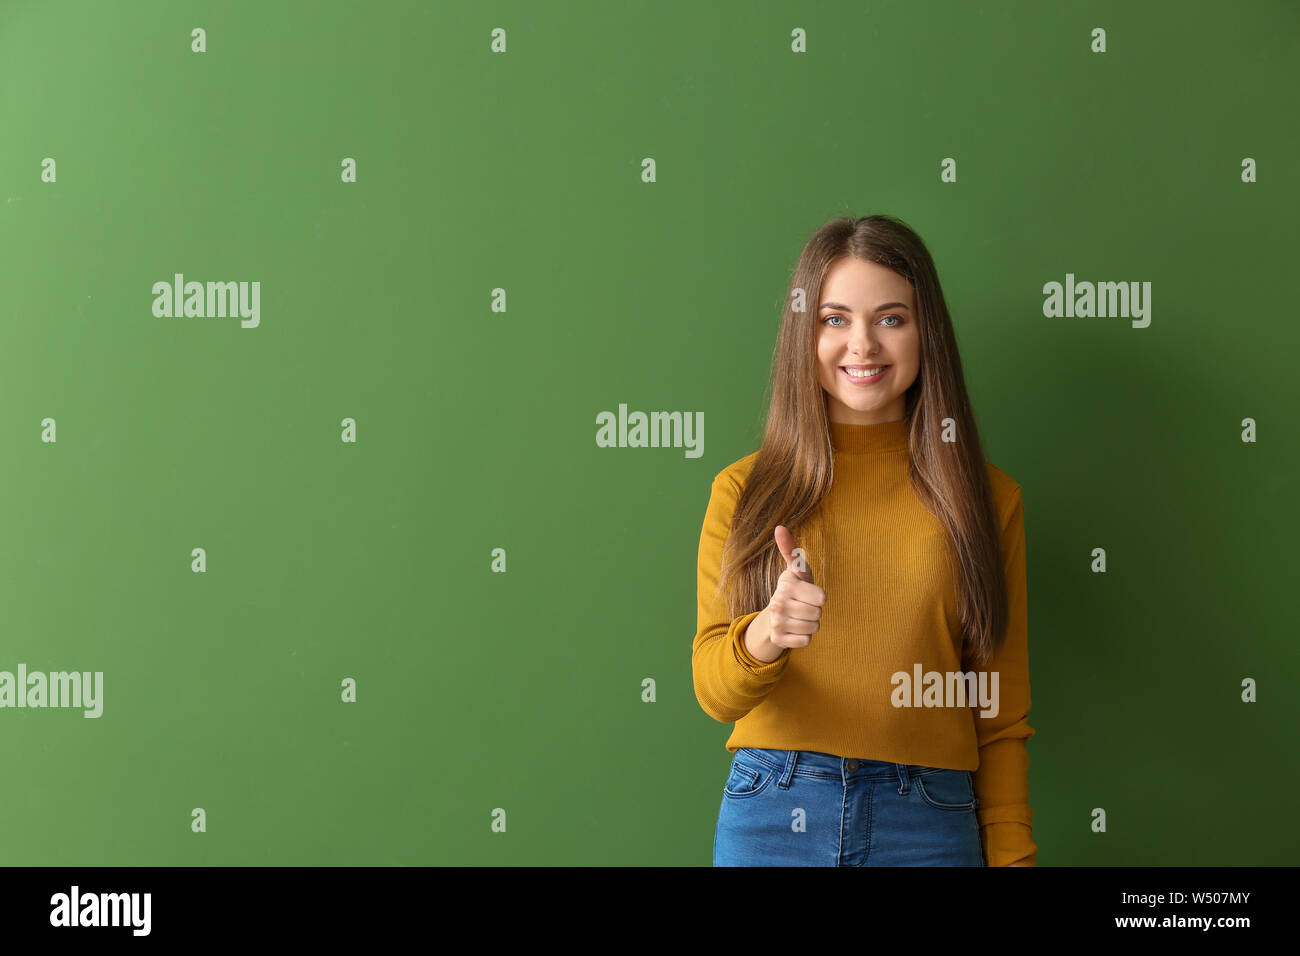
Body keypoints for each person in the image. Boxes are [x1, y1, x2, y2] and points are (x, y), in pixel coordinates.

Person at [694, 214, 1036, 867]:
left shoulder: (989, 499)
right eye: (834, 319)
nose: (862, 345)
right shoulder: (744, 490)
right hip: (773, 811)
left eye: (890, 318)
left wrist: (1014, 856)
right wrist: (768, 633)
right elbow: (714, 691)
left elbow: (999, 712)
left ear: (925, 331)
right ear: (806, 332)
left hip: (930, 821)